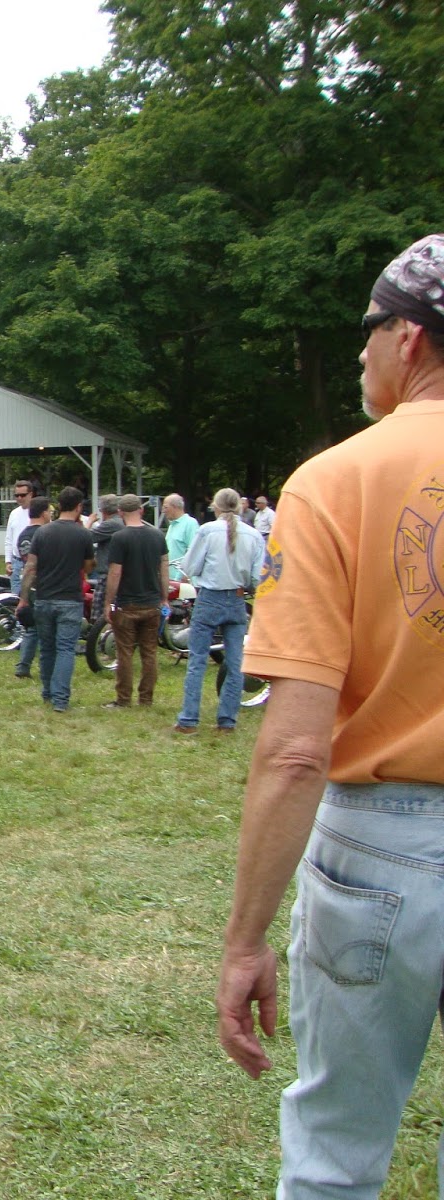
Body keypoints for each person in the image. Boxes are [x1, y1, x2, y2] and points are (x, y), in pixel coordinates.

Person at [215, 233, 444, 1197]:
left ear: (411, 339)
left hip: (381, 845)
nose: (358, 354)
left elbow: (297, 750)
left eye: (367, 328)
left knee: (335, 1157)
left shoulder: (336, 480)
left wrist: (244, 939)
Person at [172, 488, 265, 734]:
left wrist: (202, 577)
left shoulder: (207, 531)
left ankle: (189, 719)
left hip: (209, 597)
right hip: (236, 599)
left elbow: (189, 565)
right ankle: (227, 721)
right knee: (235, 664)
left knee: (197, 660)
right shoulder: (255, 535)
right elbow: (257, 577)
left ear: (216, 506)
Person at [17, 487, 93, 713]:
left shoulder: (42, 532)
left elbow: (30, 568)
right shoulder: (83, 534)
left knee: (47, 648)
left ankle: (48, 693)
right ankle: (60, 699)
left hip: (44, 597)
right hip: (70, 598)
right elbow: (89, 566)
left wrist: (23, 599)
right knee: (66, 649)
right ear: (79, 507)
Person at [101, 494, 168, 708]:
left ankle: (124, 699)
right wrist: (164, 597)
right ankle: (146, 698)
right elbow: (164, 570)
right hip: (151, 602)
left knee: (125, 652)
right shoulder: (157, 535)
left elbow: (115, 573)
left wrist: (109, 602)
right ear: (141, 510)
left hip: (127, 603)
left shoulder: (120, 538)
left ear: (120, 512)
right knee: (149, 652)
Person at [12, 497, 51, 679]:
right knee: (47, 630)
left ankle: (23, 666)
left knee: (32, 629)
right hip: (45, 585)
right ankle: (47, 669)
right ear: (44, 513)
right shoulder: (46, 534)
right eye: (50, 511)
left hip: (29, 585)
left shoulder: (23, 534)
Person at [88, 495, 124, 622]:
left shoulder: (111, 524)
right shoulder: (120, 522)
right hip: (114, 573)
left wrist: (89, 522)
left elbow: (86, 538)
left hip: (107, 574)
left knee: (99, 616)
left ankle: (99, 636)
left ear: (102, 510)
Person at [4, 479, 37, 595]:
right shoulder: (14, 513)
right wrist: (8, 561)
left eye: (22, 495)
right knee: (15, 596)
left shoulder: (37, 512)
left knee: (31, 595)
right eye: (16, 495)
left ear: (31, 494)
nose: (19, 498)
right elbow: (9, 539)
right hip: (16, 561)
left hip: (32, 561)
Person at [162, 494, 198, 580]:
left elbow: (194, 551)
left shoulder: (190, 523)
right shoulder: (172, 525)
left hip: (183, 579)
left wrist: (185, 575)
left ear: (175, 507)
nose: (163, 511)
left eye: (165, 507)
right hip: (171, 577)